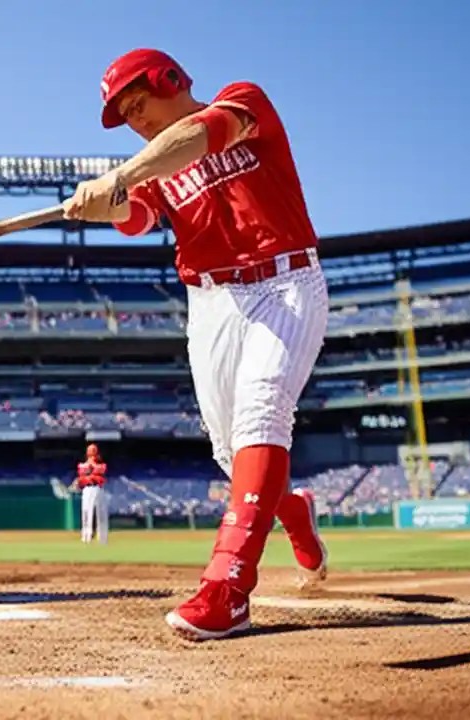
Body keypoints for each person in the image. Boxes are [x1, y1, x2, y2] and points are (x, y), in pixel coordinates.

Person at [64, 48, 329, 641]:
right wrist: (102, 206)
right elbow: (136, 218)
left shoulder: (244, 102)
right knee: (234, 459)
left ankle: (227, 588)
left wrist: (122, 174)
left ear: (171, 82)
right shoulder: (154, 164)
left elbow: (197, 136)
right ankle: (296, 513)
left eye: (141, 103)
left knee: (264, 408)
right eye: (126, 114)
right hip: (211, 304)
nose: (138, 120)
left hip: (284, 283)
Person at [75, 443, 109, 545]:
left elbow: (100, 475)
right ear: (87, 452)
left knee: (101, 514)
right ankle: (86, 537)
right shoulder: (82, 465)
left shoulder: (102, 465)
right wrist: (92, 475)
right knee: (86, 512)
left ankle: (102, 539)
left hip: (98, 489)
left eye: (94, 450)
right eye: (91, 450)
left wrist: (90, 475)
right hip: (87, 489)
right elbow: (81, 478)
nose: (93, 452)